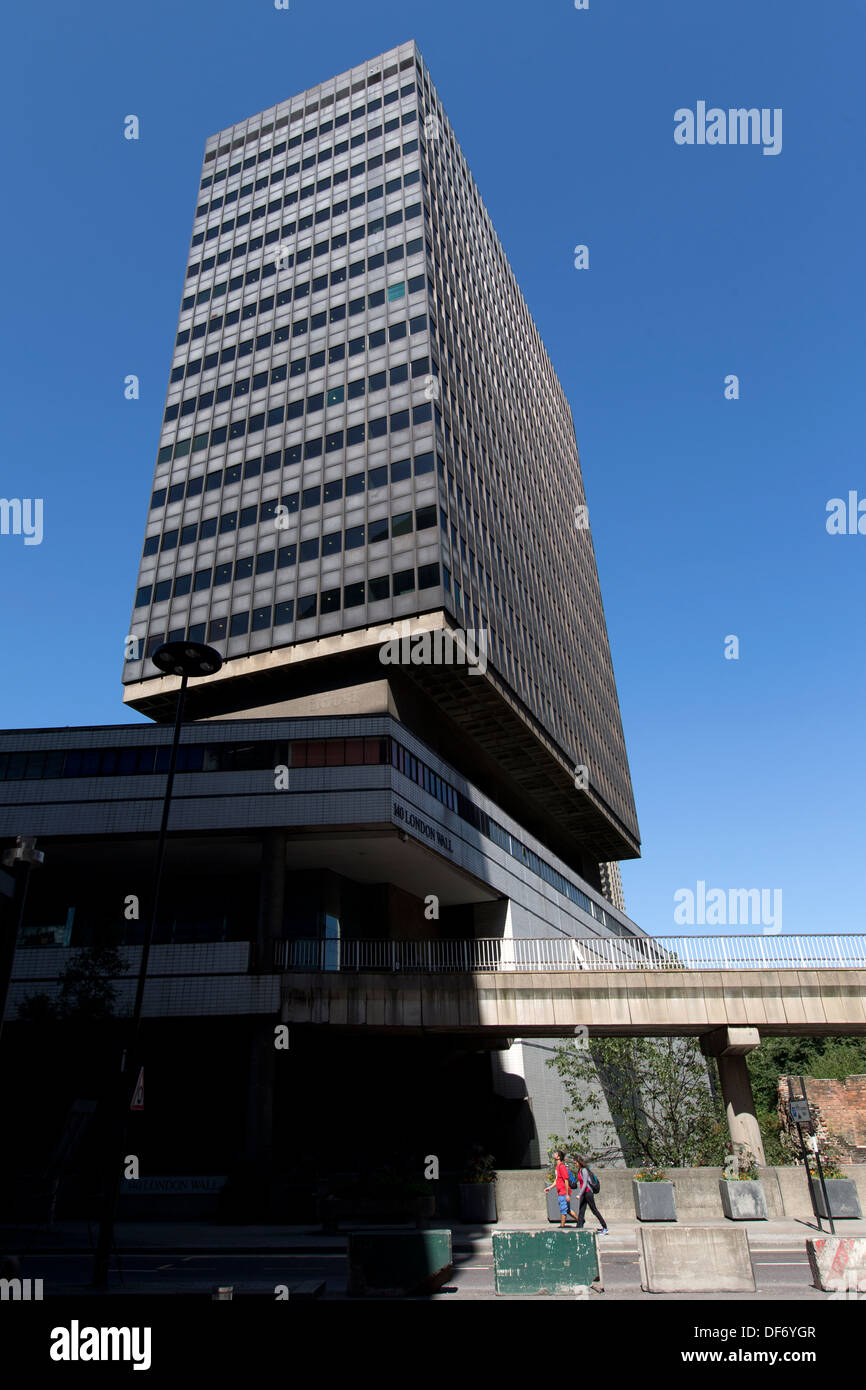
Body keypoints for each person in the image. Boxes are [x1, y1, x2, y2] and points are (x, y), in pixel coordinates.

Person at [544, 1149, 580, 1227]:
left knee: (563, 1209)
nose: (554, 1154)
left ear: (559, 1157)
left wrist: (567, 1194)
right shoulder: (557, 1167)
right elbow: (557, 1180)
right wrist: (549, 1188)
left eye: (556, 1154)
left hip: (563, 1192)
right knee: (568, 1210)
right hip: (561, 1191)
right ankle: (580, 1221)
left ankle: (562, 1225)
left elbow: (566, 1180)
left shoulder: (562, 1167)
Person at [574, 1155, 608, 1234]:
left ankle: (605, 1227)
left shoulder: (584, 1170)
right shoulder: (579, 1170)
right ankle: (579, 1227)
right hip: (584, 1193)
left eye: (575, 1163)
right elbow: (580, 1183)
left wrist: (579, 1194)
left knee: (594, 1210)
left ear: (579, 1163)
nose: (575, 1165)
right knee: (581, 1210)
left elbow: (585, 1183)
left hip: (588, 1192)